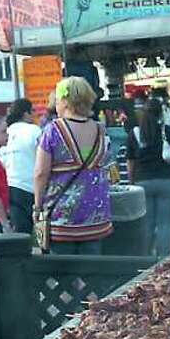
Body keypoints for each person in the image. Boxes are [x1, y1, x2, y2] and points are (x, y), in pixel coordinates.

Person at [34, 77, 114, 255]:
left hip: (62, 219)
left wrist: (37, 207)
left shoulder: (53, 130)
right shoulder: (101, 130)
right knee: (90, 273)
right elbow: (107, 165)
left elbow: (40, 173)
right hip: (95, 217)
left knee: (63, 273)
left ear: (64, 101)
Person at [126, 99, 170, 257]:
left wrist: (132, 181)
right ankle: (162, 259)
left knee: (146, 224)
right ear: (160, 113)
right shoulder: (166, 130)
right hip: (167, 181)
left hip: (143, 183)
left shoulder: (135, 133)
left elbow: (130, 162)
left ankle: (145, 258)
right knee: (165, 224)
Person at [0, 97, 41, 234]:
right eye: (32, 111)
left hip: (9, 188)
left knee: (20, 236)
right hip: (30, 187)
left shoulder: (3, 133)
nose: (34, 115)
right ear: (25, 114)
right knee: (43, 234)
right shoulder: (34, 131)